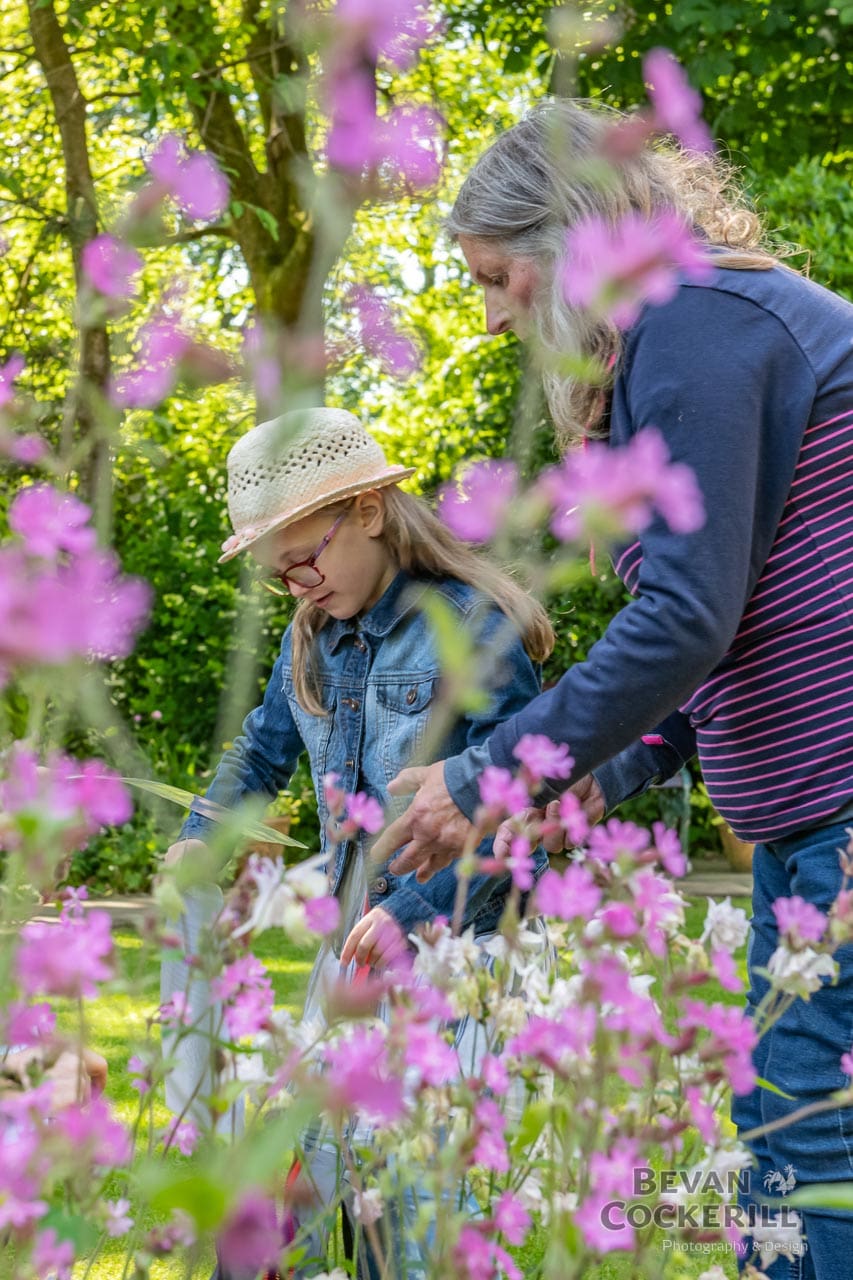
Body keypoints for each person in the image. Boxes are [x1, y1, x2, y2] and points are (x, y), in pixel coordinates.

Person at [368, 101, 853, 1278]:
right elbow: (711, 644)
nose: (493, 317)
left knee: (803, 1136)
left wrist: (483, 773)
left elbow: (683, 620)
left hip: (838, 801)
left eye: (497, 279)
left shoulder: (691, 319)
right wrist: (570, 781)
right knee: (780, 1123)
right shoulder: (678, 334)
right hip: (807, 814)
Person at [164, 406, 555, 1278]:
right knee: (277, 1210)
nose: (296, 586)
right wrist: (201, 836)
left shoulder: (473, 629)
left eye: (303, 560)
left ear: (368, 512)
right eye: (278, 575)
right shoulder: (310, 634)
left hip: (456, 967)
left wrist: (411, 913)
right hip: (348, 964)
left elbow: (515, 820)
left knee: (408, 1224)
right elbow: (259, 752)